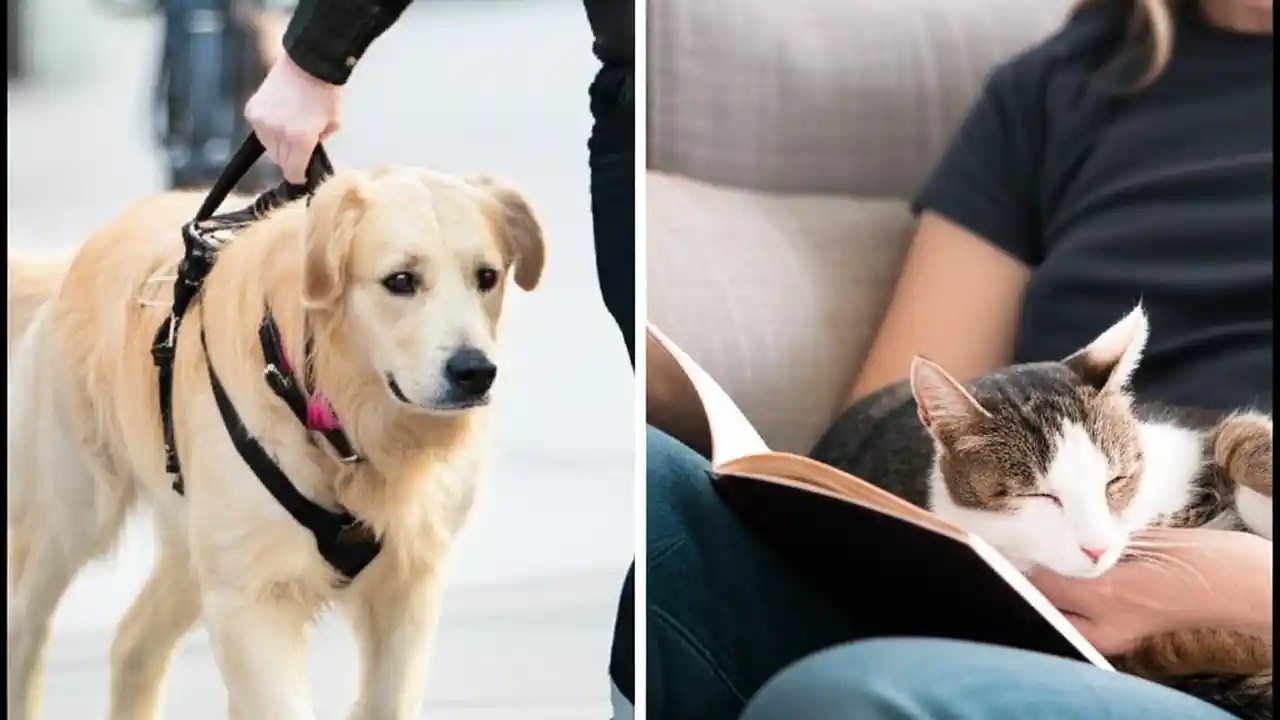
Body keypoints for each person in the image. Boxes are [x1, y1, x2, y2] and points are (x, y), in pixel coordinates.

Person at [641, 0, 1272, 717]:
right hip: (1019, 596)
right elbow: (893, 428)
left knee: (852, 698)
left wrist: (1247, 594)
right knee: (645, 487)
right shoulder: (1065, 82)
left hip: (1233, 642)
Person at [242, 1, 637, 716]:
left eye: (487, 279)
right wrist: (316, 58)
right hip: (642, 91)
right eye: (403, 282)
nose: (472, 351)